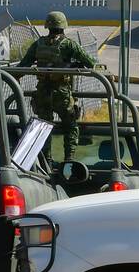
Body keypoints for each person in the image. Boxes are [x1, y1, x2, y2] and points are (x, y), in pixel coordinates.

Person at [17, 11, 98, 162]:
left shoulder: (38, 44)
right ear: (63, 26)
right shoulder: (68, 44)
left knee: (43, 127)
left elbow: (23, 65)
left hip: (42, 93)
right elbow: (91, 62)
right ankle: (69, 159)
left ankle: (46, 161)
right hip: (62, 93)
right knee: (71, 126)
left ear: (47, 26)